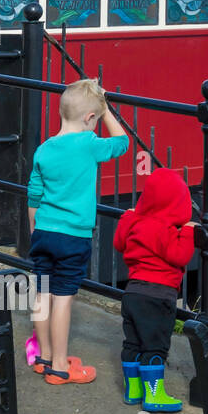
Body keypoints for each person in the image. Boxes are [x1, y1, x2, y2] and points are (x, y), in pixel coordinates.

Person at [27, 79, 129, 384]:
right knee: (63, 298)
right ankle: (60, 366)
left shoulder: (44, 149)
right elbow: (122, 143)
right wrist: (107, 110)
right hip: (73, 237)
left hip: (43, 232)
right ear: (90, 119)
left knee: (43, 293)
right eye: (96, 120)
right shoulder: (89, 144)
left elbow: (33, 195)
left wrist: (34, 230)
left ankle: (44, 357)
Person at [113, 165, 197, 410]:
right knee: (155, 346)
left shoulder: (137, 223)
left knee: (133, 343)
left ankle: (133, 390)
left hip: (133, 293)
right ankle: (154, 396)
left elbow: (119, 243)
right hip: (158, 296)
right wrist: (189, 232)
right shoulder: (167, 229)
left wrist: (128, 216)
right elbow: (180, 256)